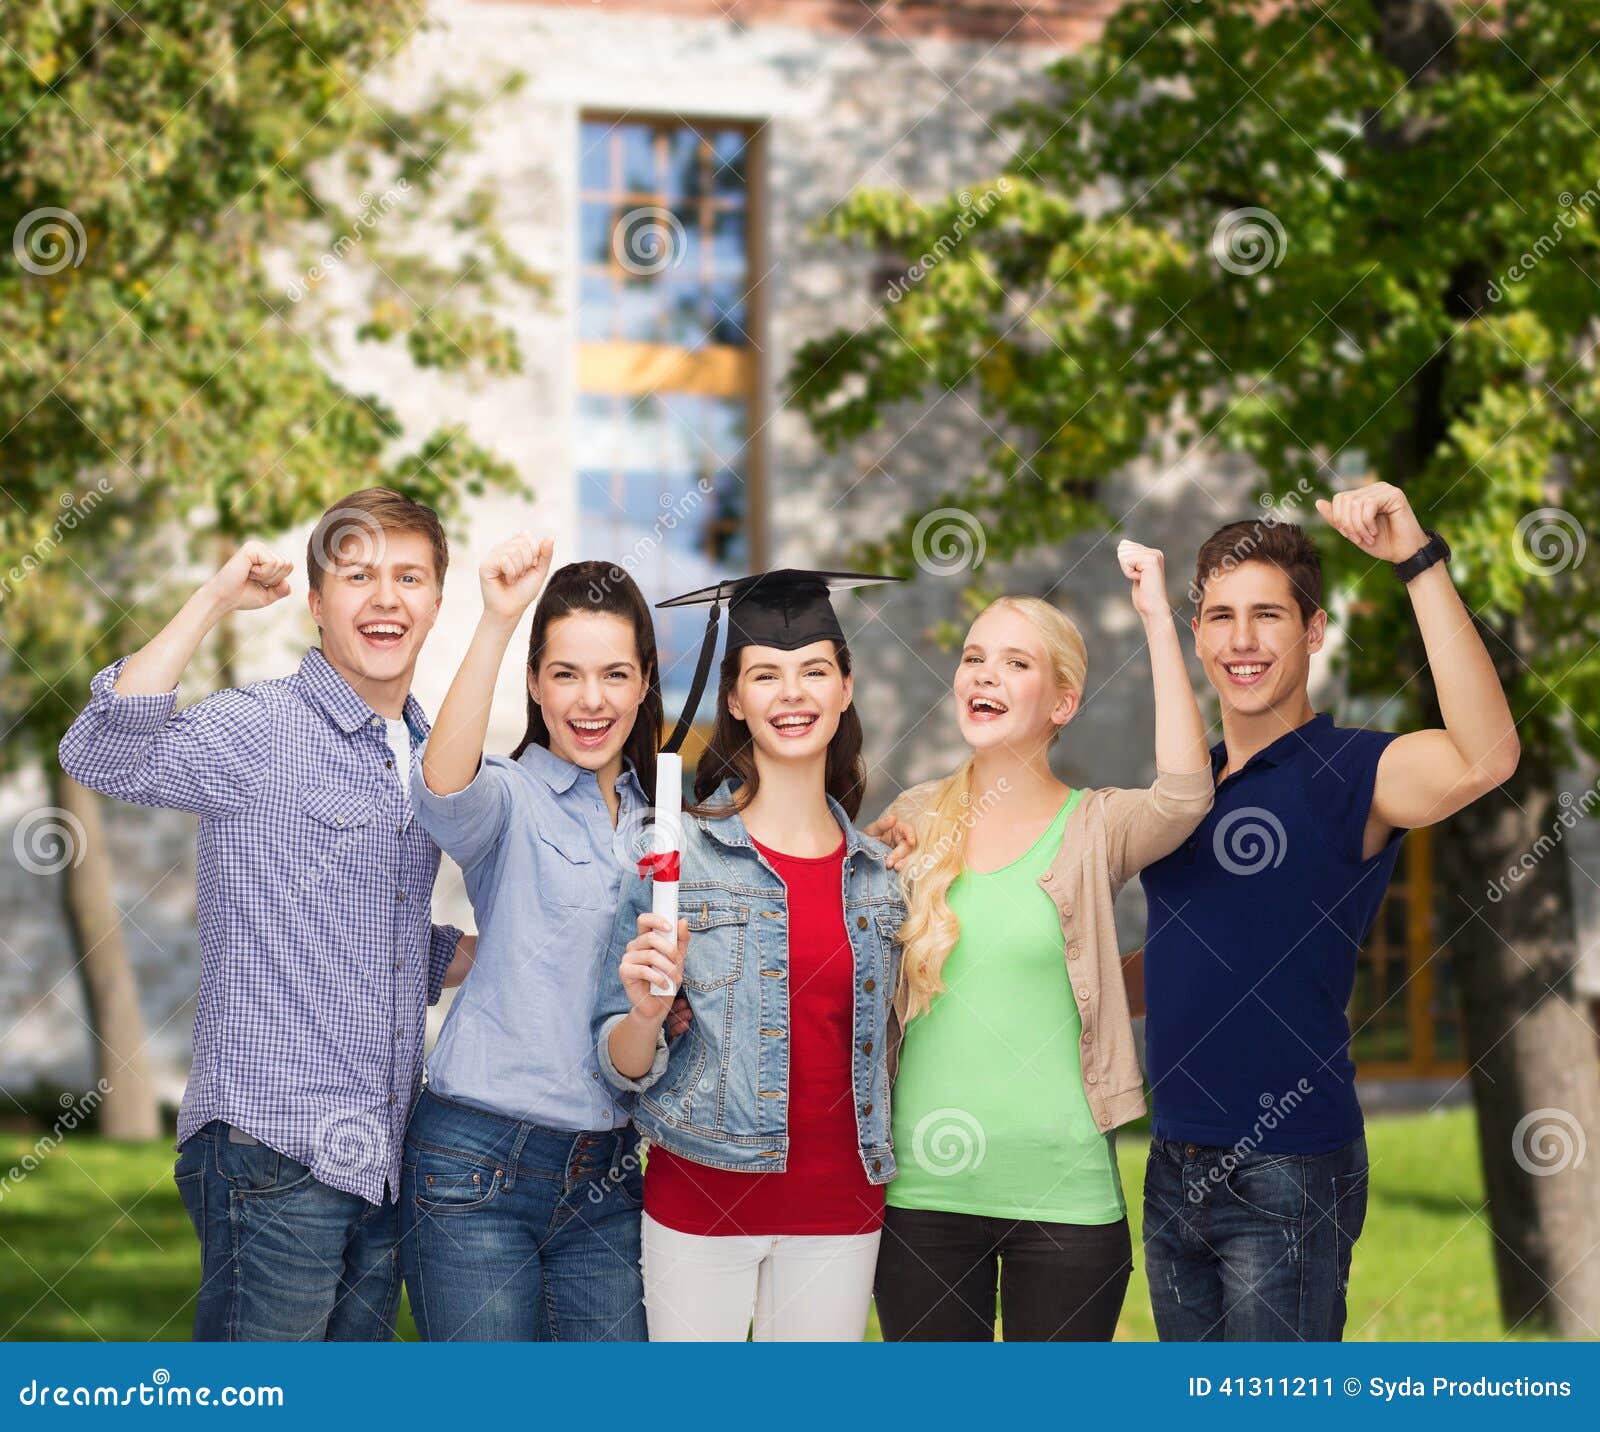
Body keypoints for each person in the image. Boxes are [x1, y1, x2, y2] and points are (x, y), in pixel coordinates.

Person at [57, 488, 474, 1342]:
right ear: (317, 604)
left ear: (436, 601)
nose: (385, 597)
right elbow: (99, 749)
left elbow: (384, 942)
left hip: (382, 1157)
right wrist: (212, 600)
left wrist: (522, 947)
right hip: (272, 1148)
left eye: (408, 576)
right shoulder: (261, 727)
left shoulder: (432, 754)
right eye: (357, 576)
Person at [1139, 485, 1519, 1341]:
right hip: (1172, 1164)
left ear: (1312, 633)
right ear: (1195, 633)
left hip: (1288, 1168)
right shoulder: (1185, 786)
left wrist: (1416, 560)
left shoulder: (1352, 771)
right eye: (1222, 616)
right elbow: (1177, 956)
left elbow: (1488, 755)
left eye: (1268, 615)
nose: (1242, 640)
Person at [869, 542, 1213, 1341]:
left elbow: (1188, 793)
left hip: (1064, 1201)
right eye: (973, 657)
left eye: (1015, 663)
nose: (983, 675)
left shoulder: (1096, 827)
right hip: (923, 1198)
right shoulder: (915, 820)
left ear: (1063, 702)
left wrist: (1159, 619)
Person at [593, 569, 906, 1341]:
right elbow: (620, 1061)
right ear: (735, 698)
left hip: (841, 1210)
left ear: (845, 688)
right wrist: (644, 1014)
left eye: (814, 672)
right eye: (765, 674)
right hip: (699, 1199)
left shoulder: (881, 877)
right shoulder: (675, 855)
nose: (791, 694)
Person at [400, 537, 660, 1341]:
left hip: (606, 1173)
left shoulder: (671, 828)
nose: (591, 699)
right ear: (536, 686)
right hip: (473, 1163)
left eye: (615, 673)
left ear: (644, 682)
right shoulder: (510, 800)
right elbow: (440, 783)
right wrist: (497, 621)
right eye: (566, 674)